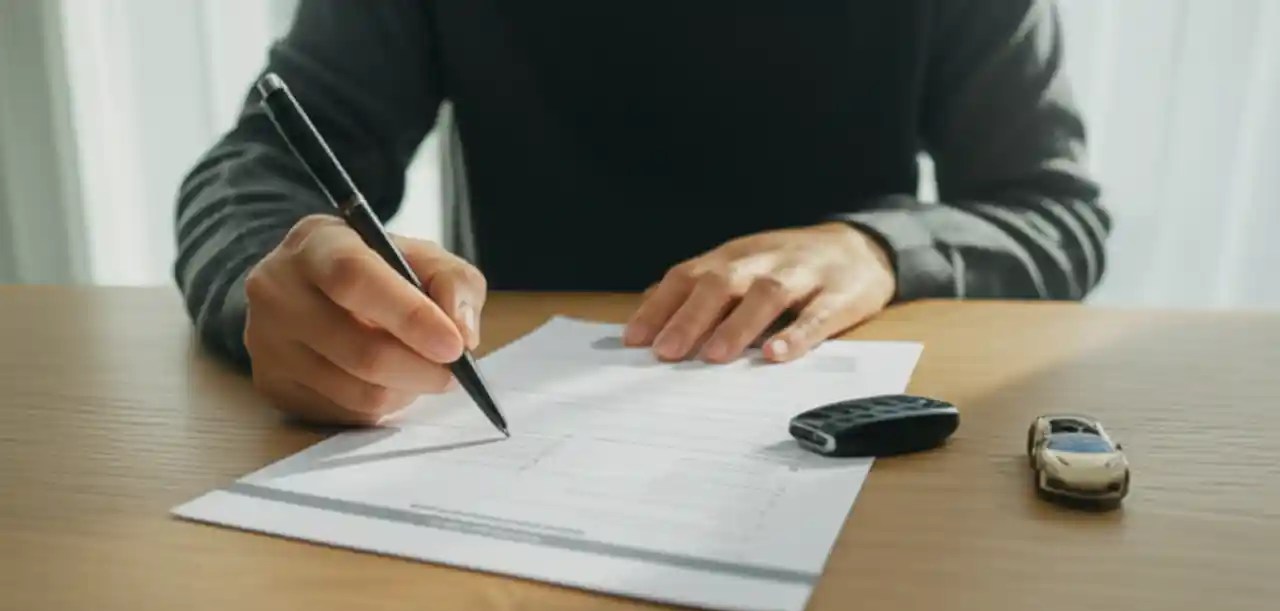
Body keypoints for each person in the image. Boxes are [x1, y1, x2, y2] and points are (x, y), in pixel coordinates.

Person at [174, 0, 1109, 426]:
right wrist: (277, 276)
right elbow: (262, 166)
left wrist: (880, 246)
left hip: (851, 457)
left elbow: (1053, 211)